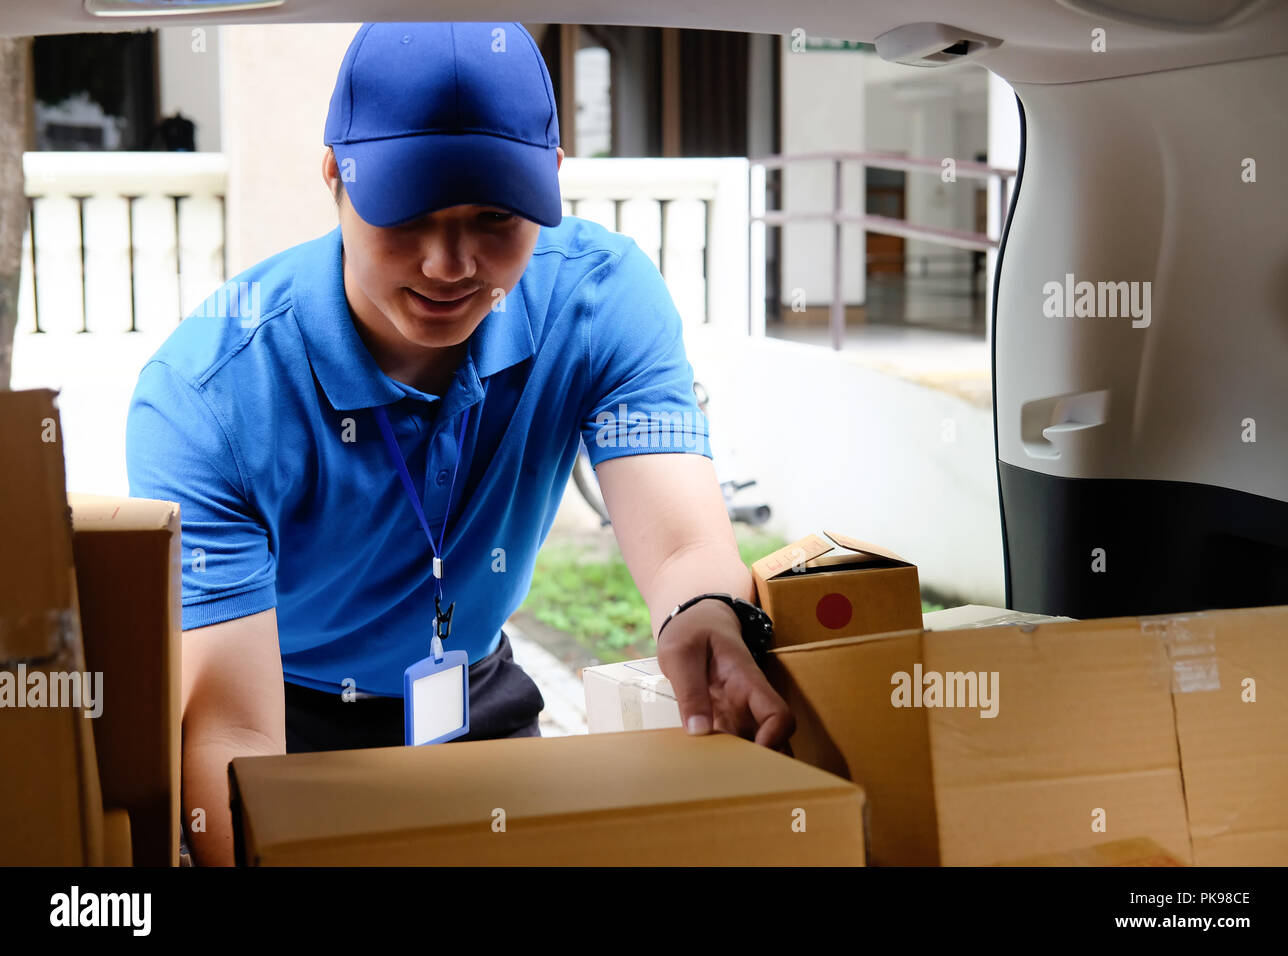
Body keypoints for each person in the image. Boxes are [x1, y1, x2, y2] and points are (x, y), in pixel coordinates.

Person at [126, 21, 793, 867]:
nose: (449, 264)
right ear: (335, 176)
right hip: (291, 724)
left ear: (551, 183)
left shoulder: (599, 299)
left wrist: (702, 613)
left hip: (477, 694)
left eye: (493, 217)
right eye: (408, 214)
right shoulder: (208, 395)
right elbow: (231, 726)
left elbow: (686, 544)